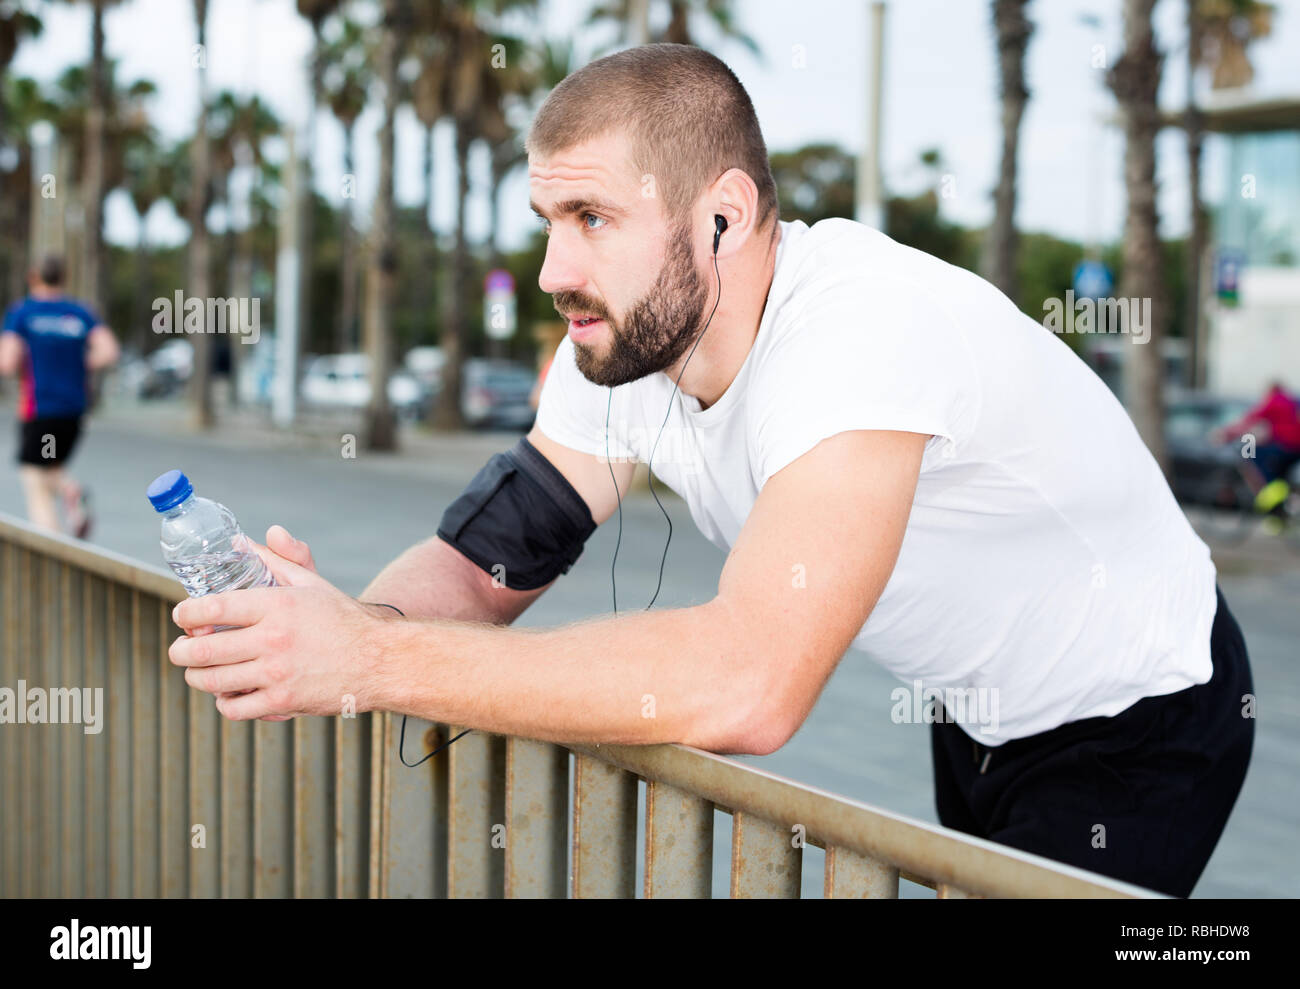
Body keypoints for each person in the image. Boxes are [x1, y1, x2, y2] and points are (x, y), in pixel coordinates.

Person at [167, 44, 1253, 899]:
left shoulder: (861, 331)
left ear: (723, 215)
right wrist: (330, 626)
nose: (552, 270)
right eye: (547, 221)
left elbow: (750, 681)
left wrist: (372, 661)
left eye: (592, 218)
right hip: (974, 709)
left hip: (1141, 708)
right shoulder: (618, 342)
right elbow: (485, 558)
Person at [0, 255, 120, 536]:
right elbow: (109, 351)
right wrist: (79, 363)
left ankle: (55, 535)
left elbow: (7, 362)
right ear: (63, 278)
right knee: (49, 467)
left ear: (33, 277)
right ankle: (70, 495)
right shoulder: (79, 313)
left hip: (42, 411)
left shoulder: (23, 313)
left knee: (36, 478)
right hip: (73, 412)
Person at [1211, 379, 1300, 515]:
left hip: (1286, 446)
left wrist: (1227, 433)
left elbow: (1250, 419)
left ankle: (1269, 494)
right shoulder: (1291, 401)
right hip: (1294, 448)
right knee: (1278, 472)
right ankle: (1280, 510)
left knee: (1254, 454)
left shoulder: (1275, 401)